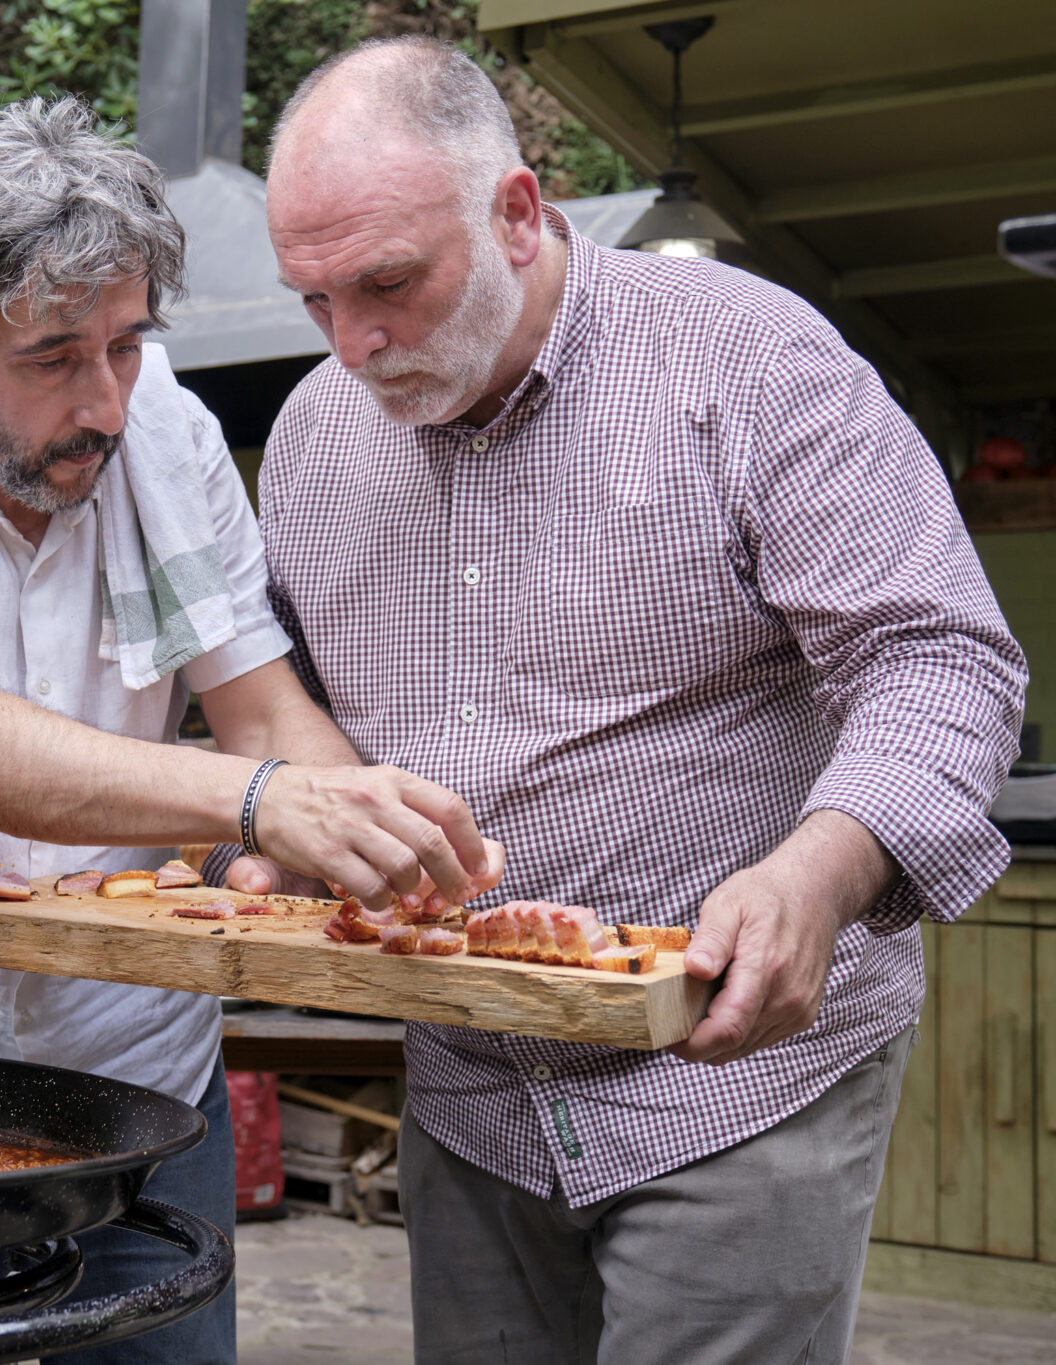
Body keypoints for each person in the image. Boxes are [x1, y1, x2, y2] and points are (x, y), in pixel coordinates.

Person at [213, 35, 1030, 1363]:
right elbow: (290, 725)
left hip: (734, 1079)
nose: (354, 343)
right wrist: (270, 842)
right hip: (471, 1090)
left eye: (391, 284)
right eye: (314, 299)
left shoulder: (747, 362)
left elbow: (941, 659)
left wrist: (819, 874)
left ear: (521, 213)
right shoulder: (311, 438)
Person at [0, 95, 503, 1363]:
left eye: (126, 343)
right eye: (52, 358)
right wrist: (259, 802)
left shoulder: (164, 430)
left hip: (141, 1081)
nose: (103, 401)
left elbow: (262, 707)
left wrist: (380, 835)